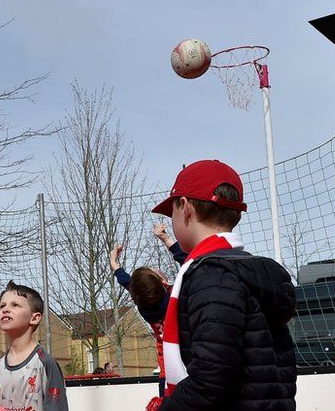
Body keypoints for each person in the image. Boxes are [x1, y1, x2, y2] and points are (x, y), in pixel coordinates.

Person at [147, 160, 296, 411]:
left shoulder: (212, 277)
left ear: (185, 207)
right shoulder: (242, 271)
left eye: (170, 210)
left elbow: (211, 380)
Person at [109, 222, 189, 395]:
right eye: (155, 270)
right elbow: (190, 262)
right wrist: (165, 238)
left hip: (166, 375)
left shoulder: (145, 306)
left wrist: (113, 262)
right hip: (186, 370)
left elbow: (126, 280)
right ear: (162, 282)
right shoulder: (176, 299)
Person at [0, 281, 68, 411]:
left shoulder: (45, 363)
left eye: (15, 305)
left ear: (35, 318)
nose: (5, 309)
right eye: (2, 306)